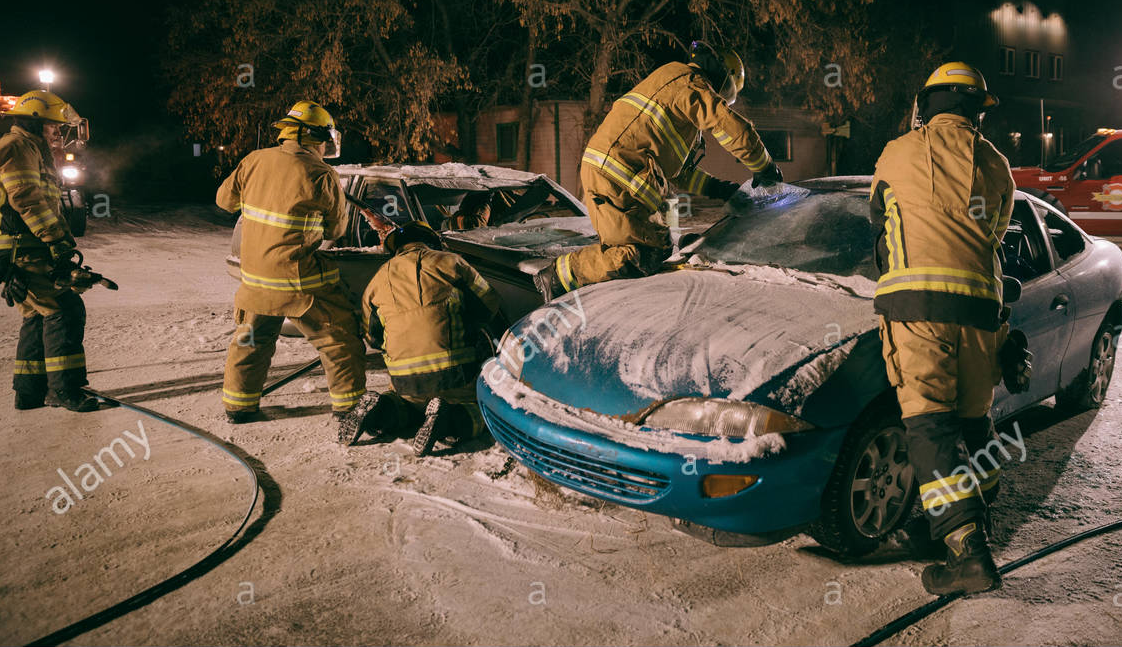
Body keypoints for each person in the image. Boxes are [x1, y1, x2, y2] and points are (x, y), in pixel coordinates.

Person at [869, 61, 1015, 595]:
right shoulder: (998, 165)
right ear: (977, 111)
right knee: (974, 425)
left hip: (917, 307)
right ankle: (971, 515)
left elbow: (880, 227)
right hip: (981, 313)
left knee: (930, 428)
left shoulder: (896, 152)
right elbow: (995, 237)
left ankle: (968, 550)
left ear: (927, 103)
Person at [533, 40, 781, 302]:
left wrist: (720, 189)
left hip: (617, 174)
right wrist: (765, 167)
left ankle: (585, 292)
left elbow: (679, 173)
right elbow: (731, 127)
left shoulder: (673, 85)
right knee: (643, 254)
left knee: (645, 250)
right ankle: (559, 275)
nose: (721, 101)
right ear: (726, 78)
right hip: (620, 175)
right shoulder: (689, 83)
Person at [215, 100, 389, 439]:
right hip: (298, 281)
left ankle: (238, 406)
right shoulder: (321, 173)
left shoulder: (253, 161)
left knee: (252, 339)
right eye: (326, 139)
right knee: (339, 338)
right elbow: (336, 232)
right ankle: (350, 407)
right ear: (316, 136)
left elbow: (225, 201)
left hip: (255, 281)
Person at [0, 90, 102, 411]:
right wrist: (59, 244)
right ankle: (64, 390)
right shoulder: (18, 149)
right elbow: (28, 201)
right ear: (35, 123)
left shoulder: (26, 148)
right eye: (53, 127)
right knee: (64, 309)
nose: (57, 133)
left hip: (22, 247)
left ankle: (29, 391)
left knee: (37, 315)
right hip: (25, 248)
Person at [360, 221, 502, 455]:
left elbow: (372, 337)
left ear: (398, 247)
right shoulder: (451, 262)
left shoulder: (378, 277)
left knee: (405, 405)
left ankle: (382, 412)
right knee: (483, 408)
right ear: (431, 241)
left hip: (404, 380)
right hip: (455, 375)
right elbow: (490, 304)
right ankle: (449, 421)